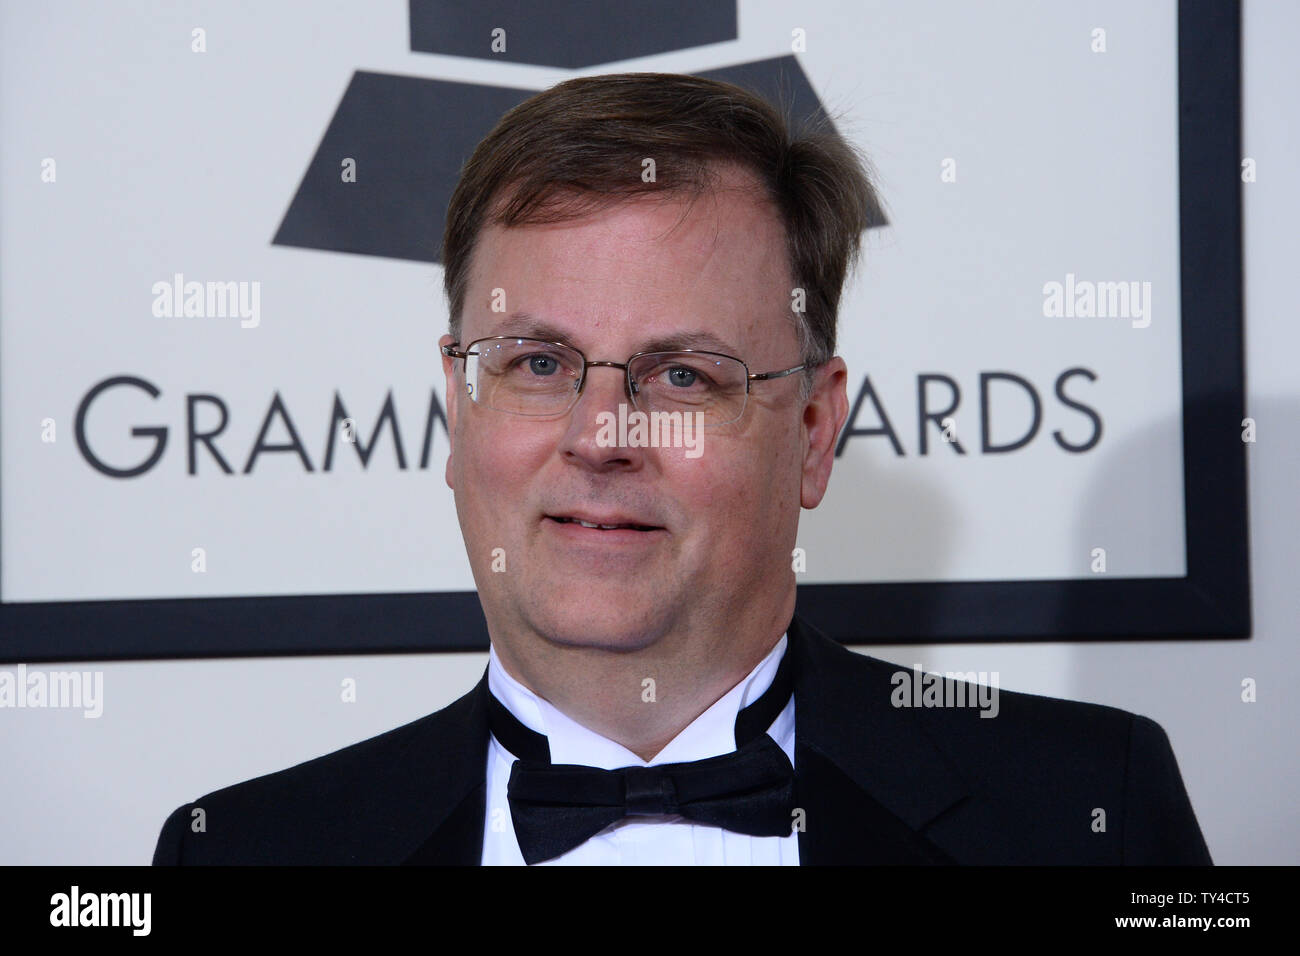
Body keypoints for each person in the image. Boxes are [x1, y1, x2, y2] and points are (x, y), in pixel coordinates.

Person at [153, 72, 1211, 865]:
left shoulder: (1086, 811)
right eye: (536, 361)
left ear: (808, 429)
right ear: (455, 404)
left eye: (681, 377)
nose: (602, 433)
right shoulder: (243, 849)